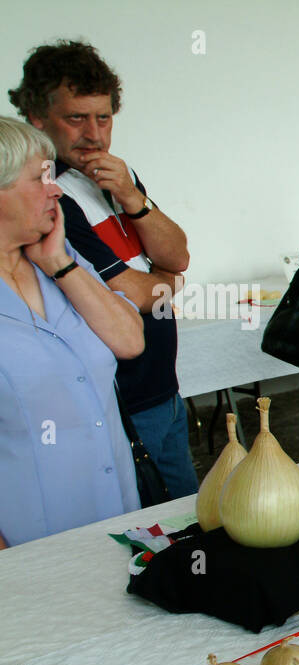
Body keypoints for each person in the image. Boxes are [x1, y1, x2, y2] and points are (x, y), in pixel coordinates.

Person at [10, 40, 196, 501]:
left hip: (164, 388)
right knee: (159, 532)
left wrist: (135, 199)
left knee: (188, 514)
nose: (94, 134)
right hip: (123, 400)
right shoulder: (48, 199)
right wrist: (168, 283)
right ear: (37, 117)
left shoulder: (112, 177)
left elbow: (179, 255)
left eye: (104, 117)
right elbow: (138, 292)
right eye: (76, 119)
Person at [0, 118, 146, 548]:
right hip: (30, 542)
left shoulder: (59, 259)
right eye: (40, 179)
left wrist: (60, 266)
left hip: (115, 511)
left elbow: (130, 341)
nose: (57, 190)